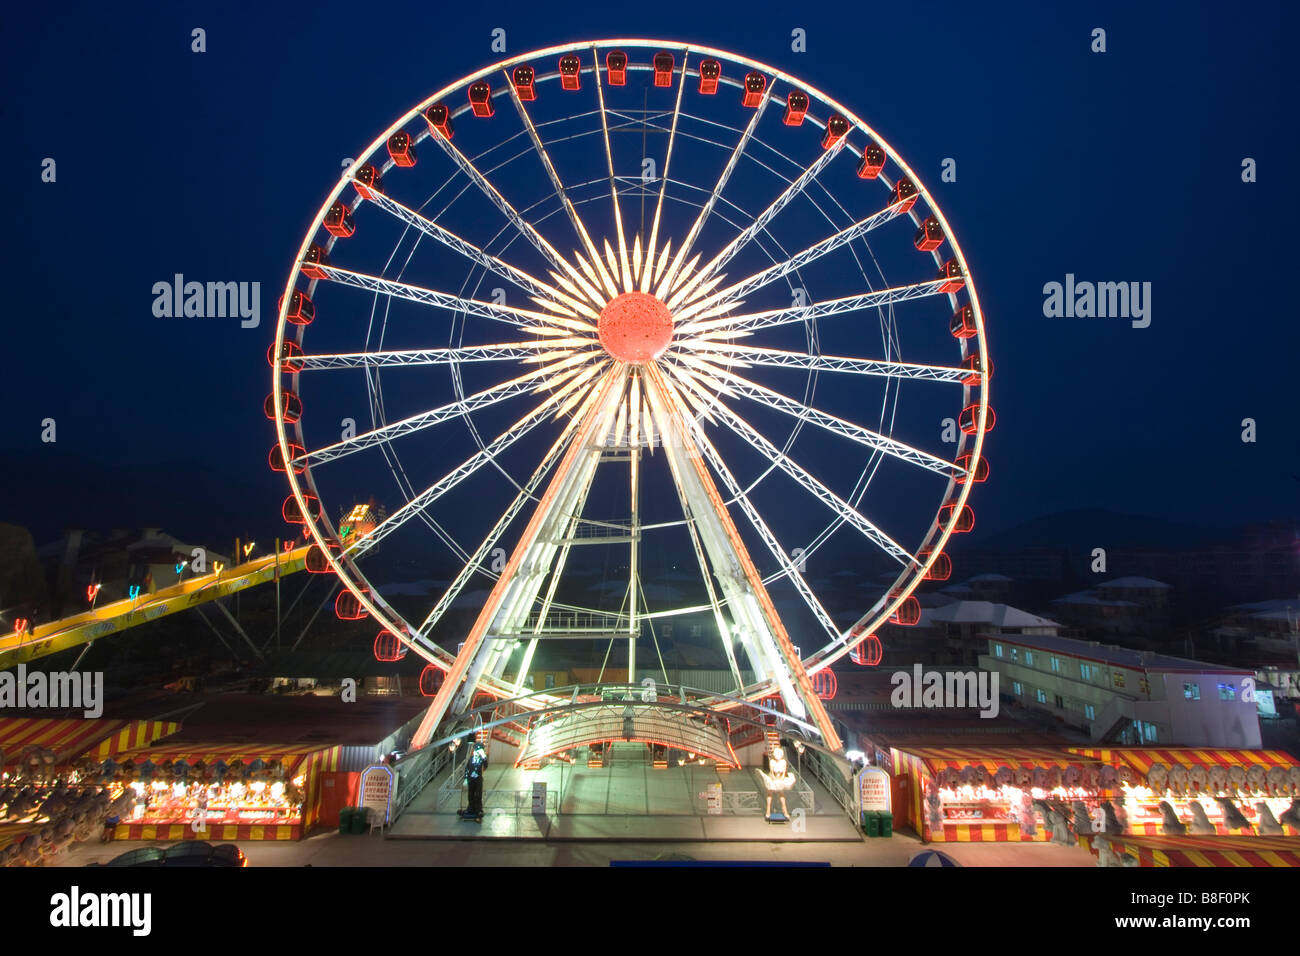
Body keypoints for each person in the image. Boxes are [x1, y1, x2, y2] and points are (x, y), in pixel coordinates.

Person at [758, 746, 796, 821]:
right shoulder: (772, 762)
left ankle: (785, 811)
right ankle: (768, 811)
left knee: (781, 794)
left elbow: (784, 773)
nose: (777, 756)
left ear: (781, 755)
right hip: (773, 779)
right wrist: (775, 781)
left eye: (779, 755)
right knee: (770, 794)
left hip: (780, 779)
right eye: (776, 754)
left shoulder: (783, 762)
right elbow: (772, 773)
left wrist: (780, 781)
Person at [458, 742, 488, 821]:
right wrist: (465, 779)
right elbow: (467, 769)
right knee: (470, 794)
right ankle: (471, 808)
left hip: (478, 780)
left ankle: (478, 810)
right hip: (471, 779)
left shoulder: (482, 759)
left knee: (478, 795)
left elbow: (486, 765)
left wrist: (483, 756)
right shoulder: (471, 759)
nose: (475, 752)